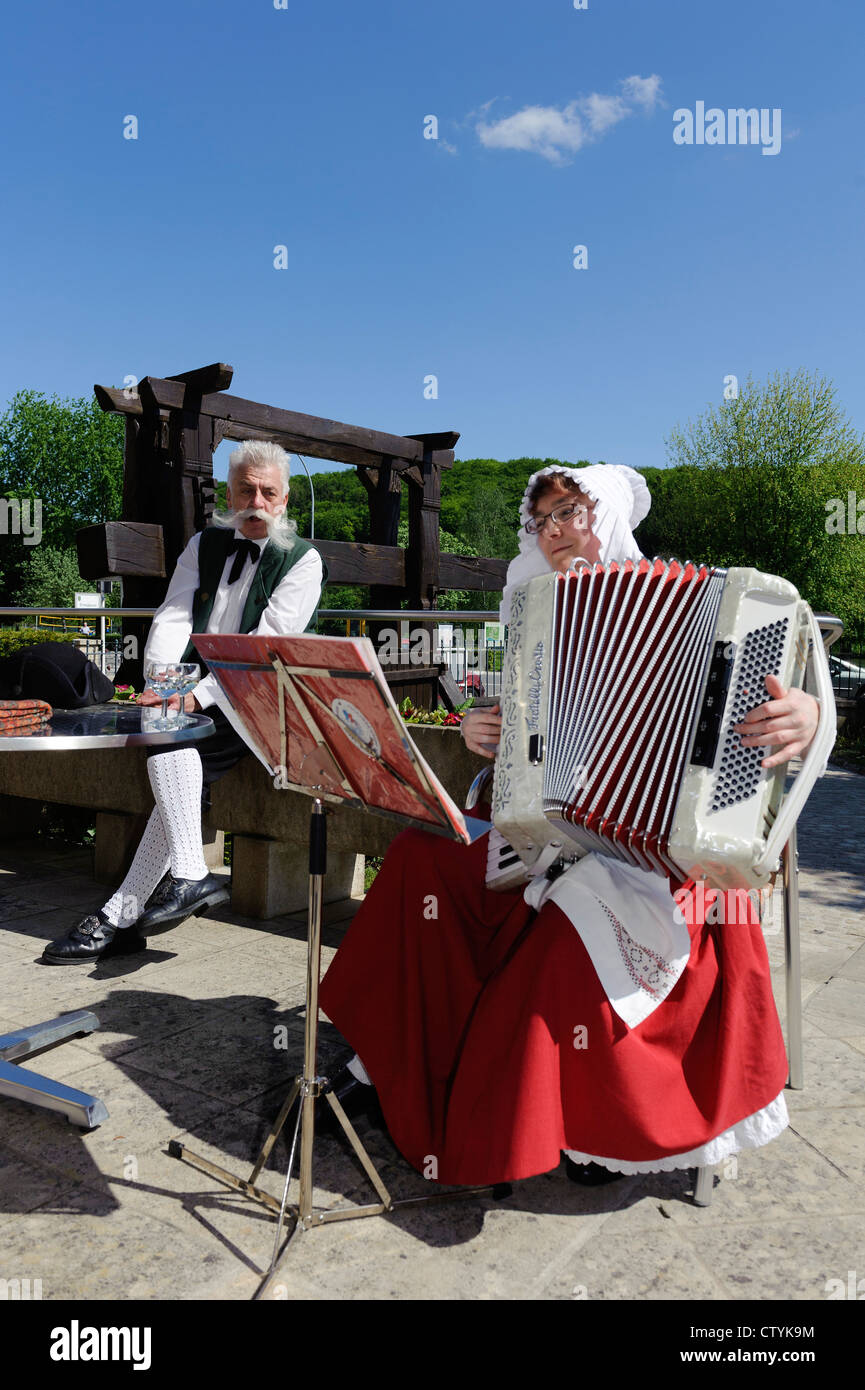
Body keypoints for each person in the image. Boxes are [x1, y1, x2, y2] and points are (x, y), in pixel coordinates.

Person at [318, 463, 824, 1186]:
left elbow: (797, 691)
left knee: (566, 930)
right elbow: (519, 734)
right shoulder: (532, 611)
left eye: (571, 513)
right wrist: (479, 729)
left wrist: (805, 715)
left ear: (607, 517)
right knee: (417, 860)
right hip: (548, 829)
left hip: (663, 858)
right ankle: (383, 1063)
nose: (554, 532)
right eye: (542, 521)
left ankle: (591, 1127)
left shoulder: (715, 609)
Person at [44, 440, 325, 964]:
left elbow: (265, 649)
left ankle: (129, 910)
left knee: (171, 752)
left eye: (268, 493)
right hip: (192, 687)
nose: (257, 503)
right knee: (172, 754)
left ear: (285, 499)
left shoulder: (303, 562)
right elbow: (173, 617)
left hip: (254, 700)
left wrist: (193, 697)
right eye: (246, 490)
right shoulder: (203, 544)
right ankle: (156, 897)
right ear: (229, 492)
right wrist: (165, 686)